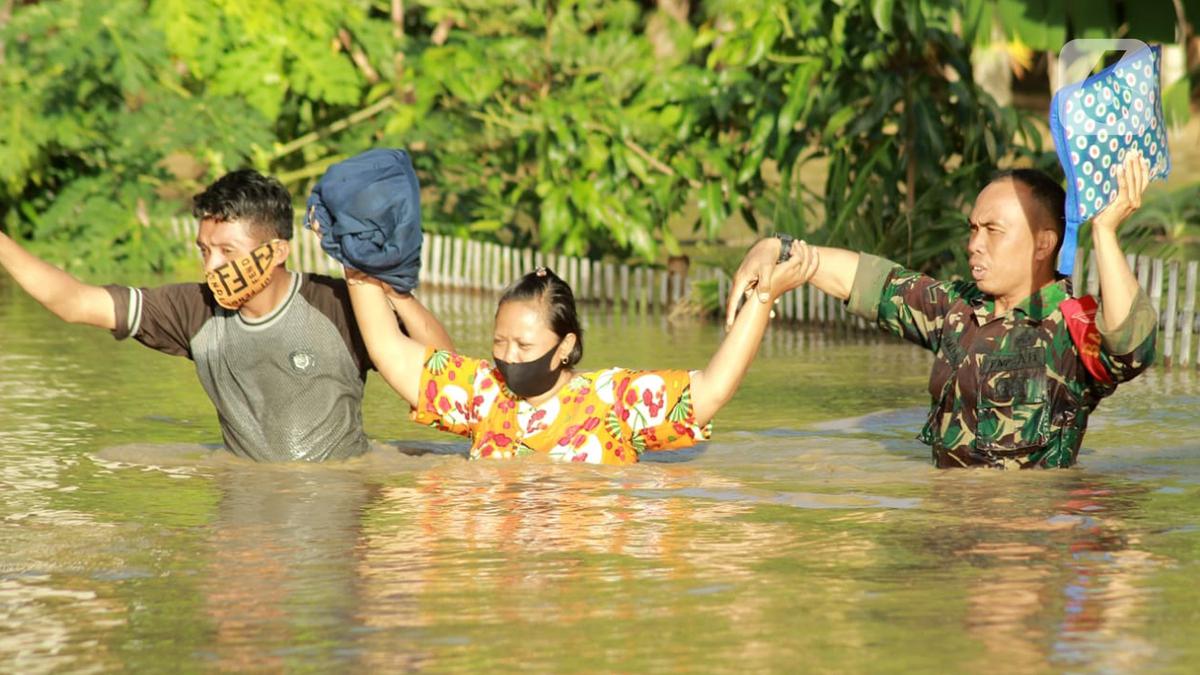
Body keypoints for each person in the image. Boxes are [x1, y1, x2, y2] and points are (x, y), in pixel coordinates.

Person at [725, 152, 1157, 469]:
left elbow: (1131, 347)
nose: (974, 244)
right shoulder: (957, 310)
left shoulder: (1069, 328)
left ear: (1044, 243)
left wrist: (1103, 230)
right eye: (972, 229)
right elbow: (870, 281)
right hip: (948, 526)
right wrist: (778, 249)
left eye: (993, 230)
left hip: (1029, 540)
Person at [0, 169, 453, 461]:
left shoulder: (336, 303)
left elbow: (447, 377)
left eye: (227, 251)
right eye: (204, 250)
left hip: (337, 502)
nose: (211, 265)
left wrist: (389, 287)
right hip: (245, 508)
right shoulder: (195, 310)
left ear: (276, 252)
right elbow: (74, 302)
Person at [345, 247, 818, 464]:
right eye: (500, 343)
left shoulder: (614, 400)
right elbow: (388, 350)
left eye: (526, 346)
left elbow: (713, 389)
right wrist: (356, 258)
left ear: (566, 347)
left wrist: (762, 299)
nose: (509, 357)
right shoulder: (484, 392)